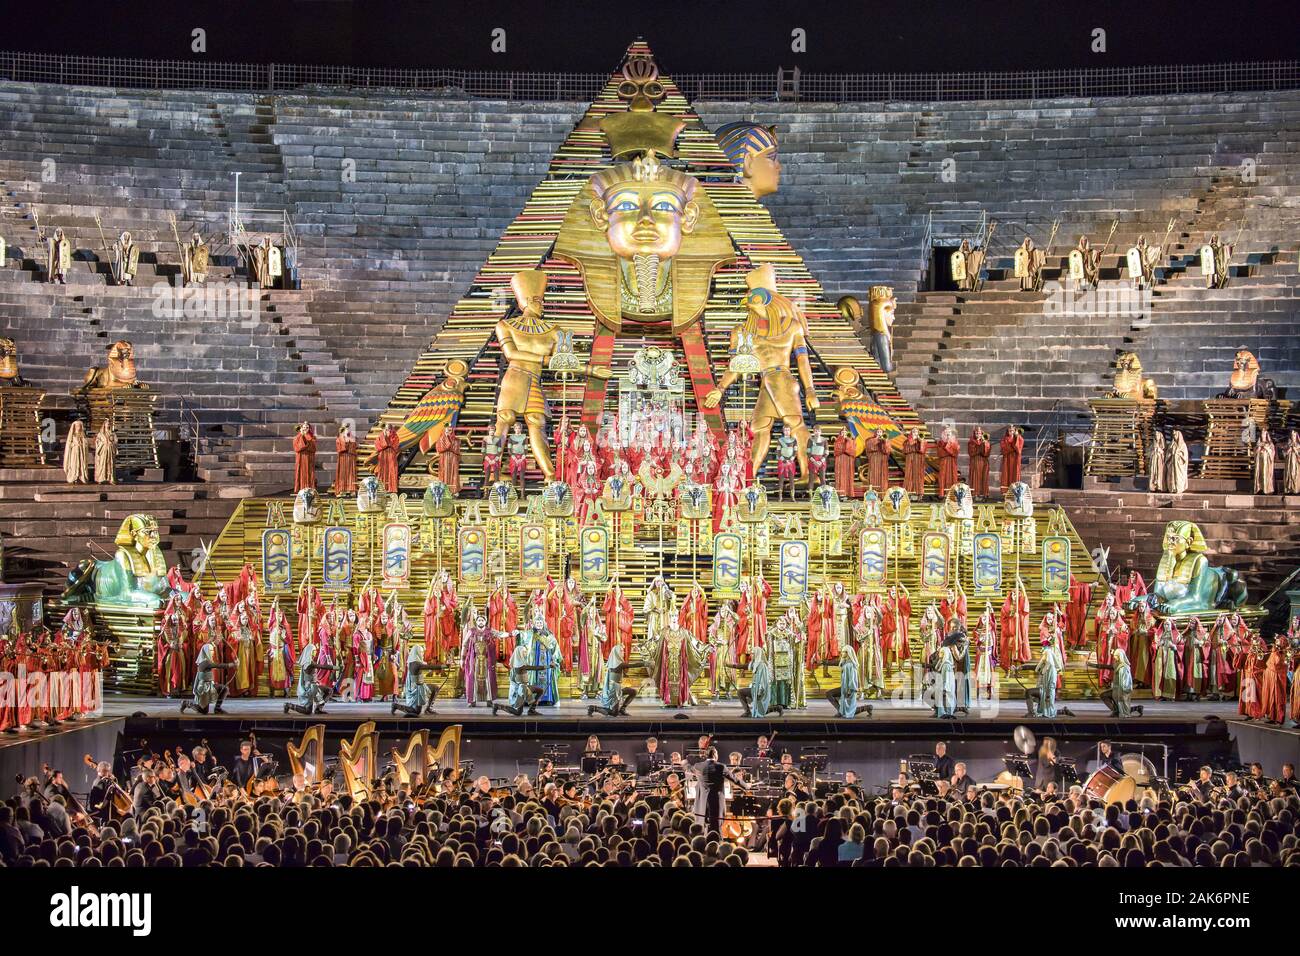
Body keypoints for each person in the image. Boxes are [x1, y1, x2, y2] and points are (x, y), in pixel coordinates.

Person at [693, 747, 749, 835]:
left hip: (702, 804)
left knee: (702, 829)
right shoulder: (721, 767)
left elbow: (690, 769)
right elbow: (735, 780)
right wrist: (746, 786)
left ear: (706, 755)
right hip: (716, 802)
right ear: (715, 755)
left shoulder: (698, 766)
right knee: (716, 830)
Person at [179, 640, 233, 715]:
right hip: (204, 689)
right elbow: (218, 665)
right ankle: (186, 703)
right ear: (206, 651)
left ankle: (217, 709)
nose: (212, 652)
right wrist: (232, 664)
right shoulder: (205, 662)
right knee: (203, 711)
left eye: (212, 650)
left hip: (210, 686)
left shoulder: (206, 661)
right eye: (210, 650)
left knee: (224, 688)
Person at [374, 422, 401, 493]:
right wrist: (385, 437)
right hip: (383, 455)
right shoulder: (380, 436)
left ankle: (391, 488)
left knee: (392, 470)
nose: (387, 430)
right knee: (382, 470)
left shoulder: (394, 435)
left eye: (389, 429)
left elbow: (395, 445)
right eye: (386, 429)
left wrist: (388, 438)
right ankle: (381, 488)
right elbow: (378, 445)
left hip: (391, 454)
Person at [292, 421, 317, 494]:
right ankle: (301, 488)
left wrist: (306, 445)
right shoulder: (297, 437)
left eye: (307, 427)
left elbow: (313, 448)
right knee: (301, 472)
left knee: (310, 472)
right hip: (301, 458)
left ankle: (310, 488)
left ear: (309, 428)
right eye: (304, 427)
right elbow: (297, 448)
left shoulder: (313, 437)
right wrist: (302, 437)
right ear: (301, 428)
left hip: (309, 458)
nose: (305, 428)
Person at [334, 422, 358, 494]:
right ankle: (342, 489)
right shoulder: (339, 438)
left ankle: (351, 489)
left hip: (351, 457)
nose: (347, 429)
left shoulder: (353, 437)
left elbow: (354, 446)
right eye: (346, 428)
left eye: (348, 428)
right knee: (343, 473)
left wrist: (349, 439)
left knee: (351, 473)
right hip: (343, 457)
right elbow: (340, 448)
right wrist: (345, 438)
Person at [967, 427, 991, 498]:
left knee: (984, 477)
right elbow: (971, 452)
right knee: (975, 477)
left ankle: (984, 493)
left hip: (984, 462)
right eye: (977, 433)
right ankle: (975, 493)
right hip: (975, 461)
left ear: (982, 434)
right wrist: (979, 444)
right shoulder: (971, 442)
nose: (978, 434)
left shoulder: (985, 441)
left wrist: (984, 443)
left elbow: (986, 453)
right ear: (975, 434)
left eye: (980, 433)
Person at [63, 420, 88, 484]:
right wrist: (74, 444)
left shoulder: (82, 435)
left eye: (79, 426)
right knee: (74, 464)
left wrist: (83, 444)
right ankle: (73, 477)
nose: (78, 427)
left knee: (81, 464)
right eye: (77, 426)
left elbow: (86, 443)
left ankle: (81, 476)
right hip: (74, 452)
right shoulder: (72, 435)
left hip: (81, 452)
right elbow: (68, 444)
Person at [93, 419, 117, 484]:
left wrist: (112, 443)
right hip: (103, 450)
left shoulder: (112, 433)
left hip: (110, 450)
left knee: (110, 464)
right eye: (107, 423)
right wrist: (103, 443)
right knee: (102, 464)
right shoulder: (100, 434)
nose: (108, 424)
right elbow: (97, 442)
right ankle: (101, 478)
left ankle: (111, 478)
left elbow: (116, 441)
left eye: (109, 423)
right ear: (104, 424)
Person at [999, 425, 1023, 490]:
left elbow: (1018, 449)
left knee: (1015, 473)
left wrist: (1016, 438)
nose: (1011, 432)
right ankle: (1006, 492)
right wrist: (1012, 448)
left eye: (1012, 430)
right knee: (1006, 473)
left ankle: (1015, 491)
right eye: (1010, 430)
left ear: (1015, 431)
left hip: (1015, 459)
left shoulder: (1019, 438)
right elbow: (1003, 448)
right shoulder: (1004, 439)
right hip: (1007, 458)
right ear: (1008, 431)